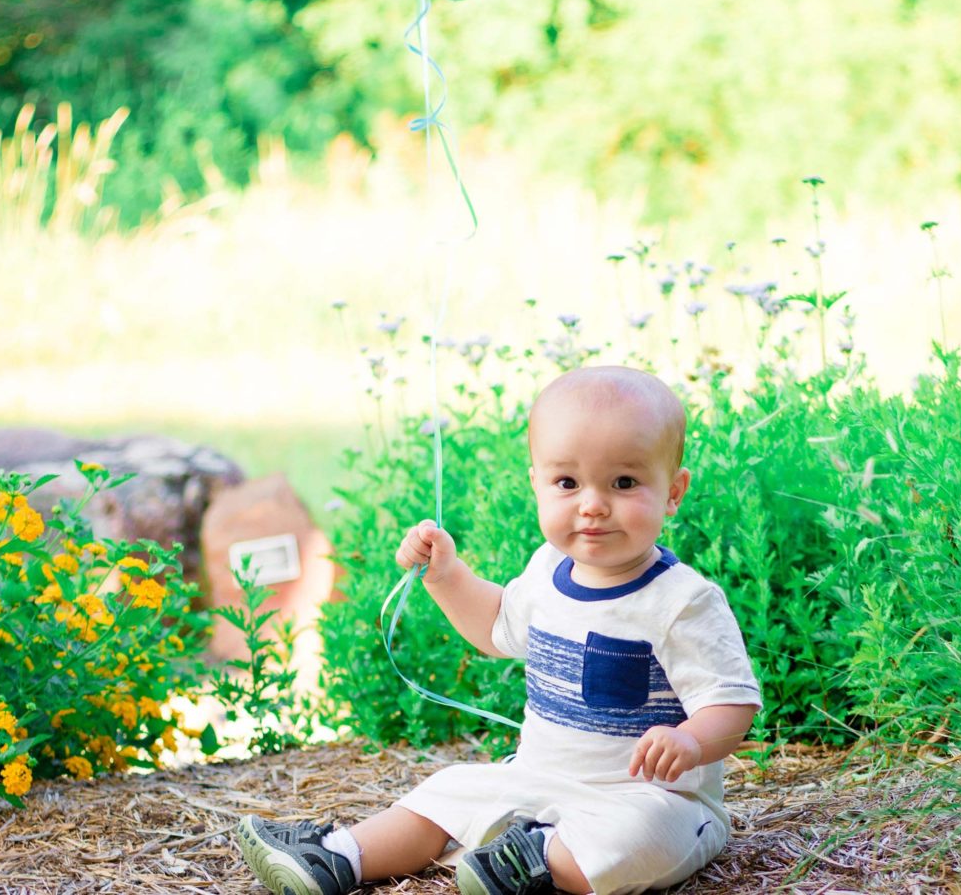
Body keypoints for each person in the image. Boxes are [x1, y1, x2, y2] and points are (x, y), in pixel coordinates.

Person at [236, 365, 762, 895]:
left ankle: (534, 863)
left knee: (639, 837)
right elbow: (494, 628)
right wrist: (446, 577)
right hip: (535, 781)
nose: (593, 504)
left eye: (624, 483)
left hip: (650, 796)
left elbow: (733, 704)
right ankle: (338, 857)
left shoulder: (682, 602)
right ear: (537, 484)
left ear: (673, 492)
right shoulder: (546, 571)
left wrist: (690, 741)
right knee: (450, 791)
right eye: (567, 483)